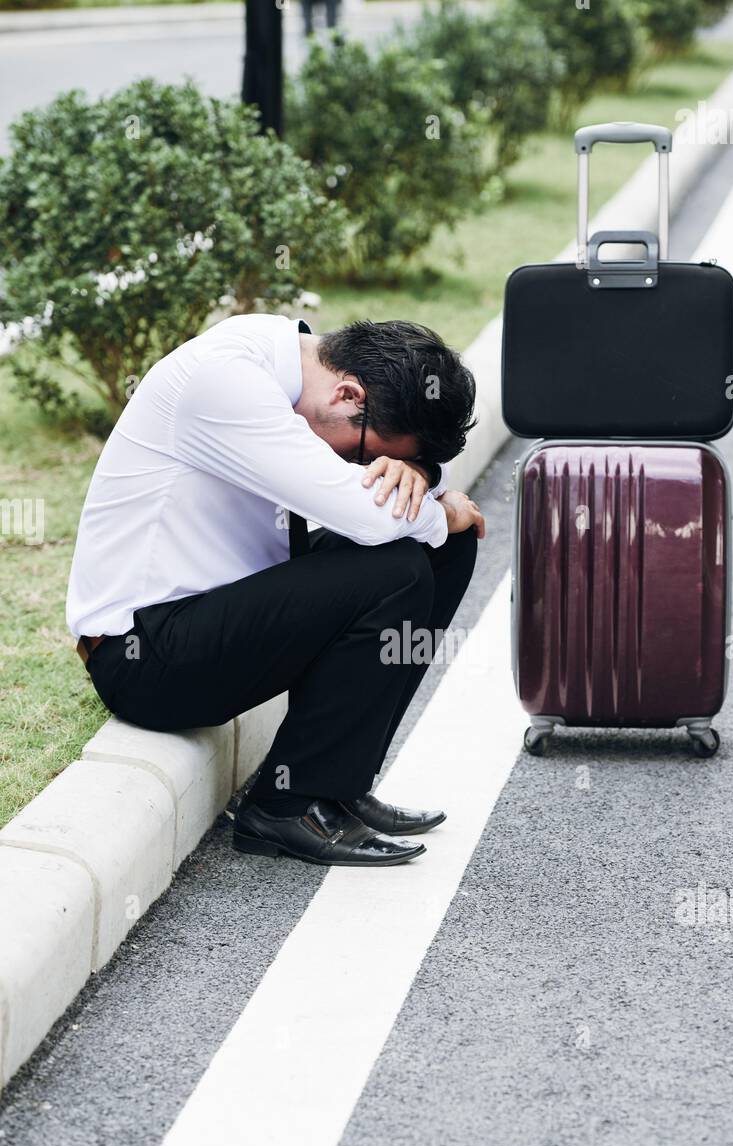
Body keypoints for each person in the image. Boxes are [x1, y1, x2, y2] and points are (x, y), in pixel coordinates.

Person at [66, 314, 484, 868]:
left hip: (218, 617)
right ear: (348, 394)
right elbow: (372, 519)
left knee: (445, 550)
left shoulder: (303, 365)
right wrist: (443, 512)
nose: (368, 469)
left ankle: (337, 784)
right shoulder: (227, 380)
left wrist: (425, 478)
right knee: (399, 565)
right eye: (367, 456)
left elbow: (397, 498)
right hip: (146, 657)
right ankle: (285, 807)